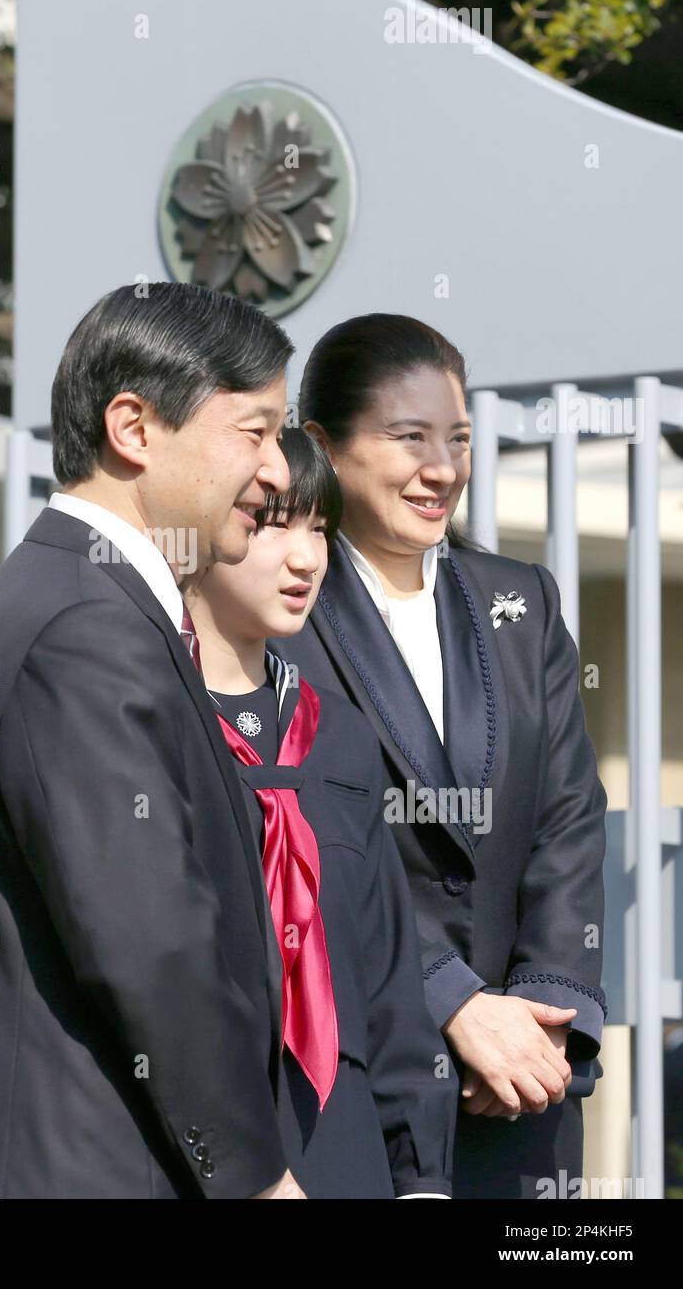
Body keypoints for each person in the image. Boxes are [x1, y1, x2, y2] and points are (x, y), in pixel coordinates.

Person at [0, 280, 308, 1199]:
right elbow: (149, 938)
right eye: (252, 433)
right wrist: (254, 1175)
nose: (280, 471)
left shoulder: (96, 602)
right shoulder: (84, 624)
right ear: (133, 428)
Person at [277, 314, 607, 1198]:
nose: (441, 469)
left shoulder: (519, 601)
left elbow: (568, 817)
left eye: (457, 439)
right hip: (366, 1073)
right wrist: (448, 1000)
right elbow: (301, 846)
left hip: (523, 1085)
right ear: (320, 442)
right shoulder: (279, 614)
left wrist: (546, 1013)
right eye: (406, 437)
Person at [183, 426, 455, 1198]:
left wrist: (420, 1179)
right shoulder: (143, 727)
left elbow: (388, 979)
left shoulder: (336, 737)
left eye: (321, 529)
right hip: (200, 1152)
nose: (306, 558)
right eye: (274, 522)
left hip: (343, 1143)